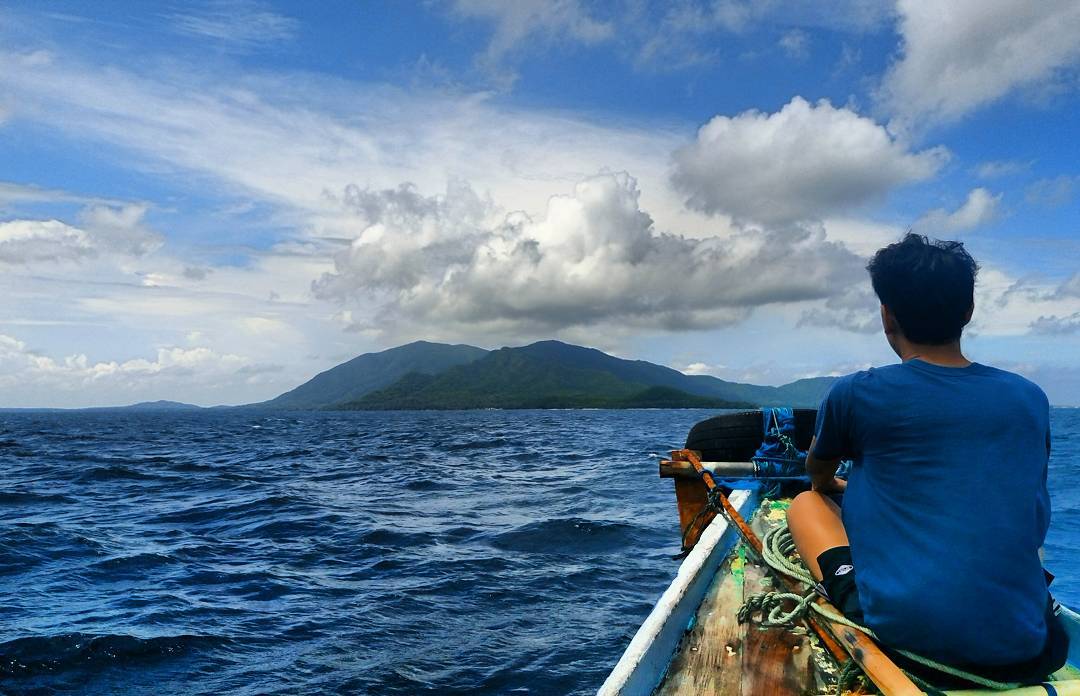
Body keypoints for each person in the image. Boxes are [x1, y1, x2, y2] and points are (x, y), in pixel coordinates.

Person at [786, 232, 1068, 685]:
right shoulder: (1029, 397)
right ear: (968, 312)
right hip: (1029, 645)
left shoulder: (857, 392)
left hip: (910, 643)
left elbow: (817, 473)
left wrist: (837, 486)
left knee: (804, 504)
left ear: (887, 314)